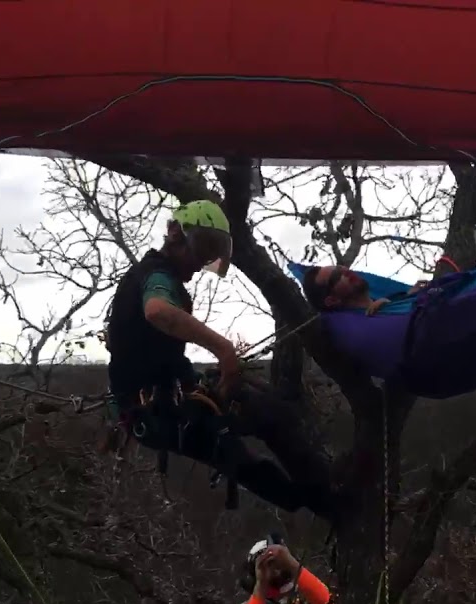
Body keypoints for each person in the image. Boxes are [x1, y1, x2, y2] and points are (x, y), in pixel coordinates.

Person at [100, 199, 295, 511]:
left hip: (165, 396)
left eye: (211, 251)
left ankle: (311, 493)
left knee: (262, 416)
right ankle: (316, 501)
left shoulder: (149, 275)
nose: (201, 259)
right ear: (175, 233)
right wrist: (223, 348)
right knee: (242, 455)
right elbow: (157, 311)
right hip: (152, 410)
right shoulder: (157, 277)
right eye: (201, 247)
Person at [299, 265, 429, 316]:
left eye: (340, 267)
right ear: (332, 300)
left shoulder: (392, 301)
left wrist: (409, 297)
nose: (346, 270)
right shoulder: (357, 328)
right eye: (337, 275)